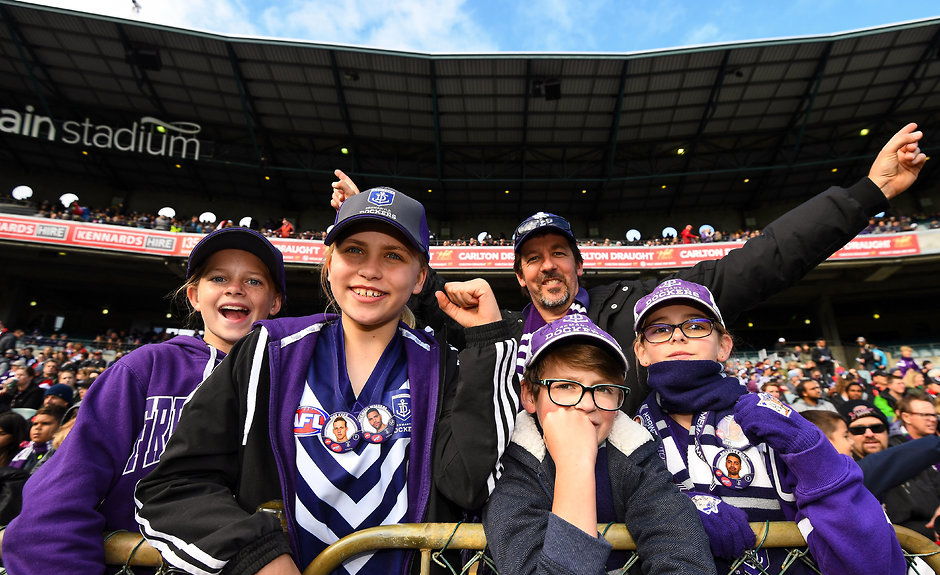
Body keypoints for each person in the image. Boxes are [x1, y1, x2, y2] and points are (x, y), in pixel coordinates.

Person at [332, 125, 927, 510]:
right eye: (533, 259)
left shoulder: (632, 311)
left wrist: (867, 193)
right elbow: (407, 286)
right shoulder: (498, 332)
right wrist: (372, 220)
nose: (547, 266)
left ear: (579, 264)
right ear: (520, 276)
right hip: (519, 515)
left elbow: (759, 263)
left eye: (558, 253)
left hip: (632, 514)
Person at [136, 189, 474, 575]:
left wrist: (490, 340)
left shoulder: (446, 368)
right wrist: (253, 554)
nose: (370, 269)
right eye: (354, 250)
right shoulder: (269, 350)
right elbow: (171, 486)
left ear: (421, 277)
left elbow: (474, 487)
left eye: (393, 255)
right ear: (328, 262)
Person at [3, 227, 285, 575]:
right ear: (194, 295)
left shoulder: (294, 385)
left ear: (275, 302)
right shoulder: (145, 370)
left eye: (253, 281)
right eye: (218, 277)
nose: (235, 288)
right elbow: (50, 516)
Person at [631, 278, 904, 575]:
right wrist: (677, 513)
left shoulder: (770, 422)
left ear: (723, 346)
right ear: (641, 351)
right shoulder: (626, 437)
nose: (678, 336)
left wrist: (812, 453)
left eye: (696, 325)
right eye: (659, 329)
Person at [483, 314, 716, 575]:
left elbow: (687, 574)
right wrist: (574, 467)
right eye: (565, 386)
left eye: (603, 389)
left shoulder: (637, 457)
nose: (587, 404)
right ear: (529, 395)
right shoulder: (510, 471)